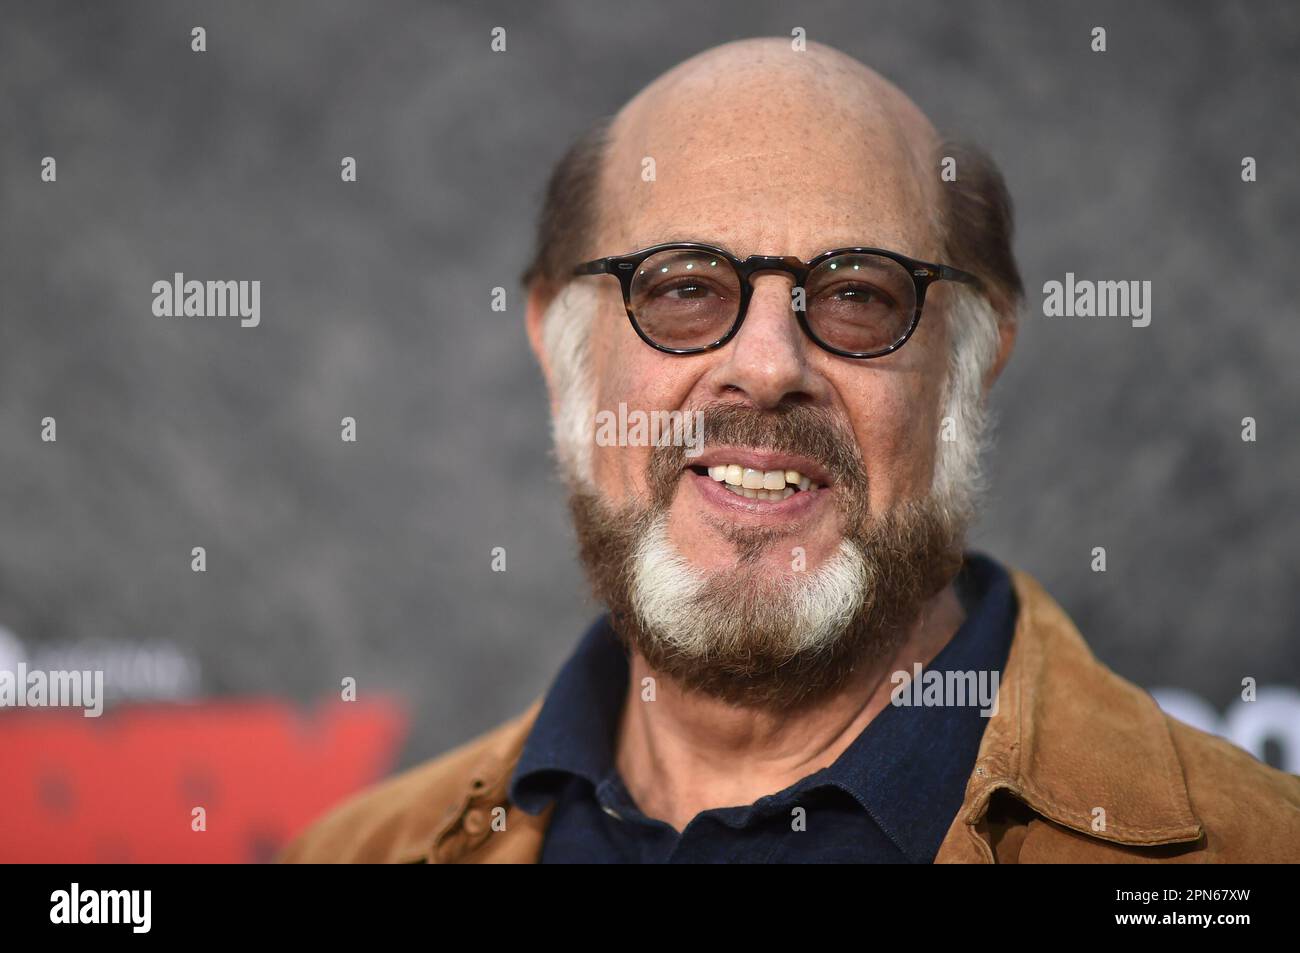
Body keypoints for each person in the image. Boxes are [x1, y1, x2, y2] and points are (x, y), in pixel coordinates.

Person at [281, 37, 1299, 863]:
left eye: (858, 294)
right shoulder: (359, 853)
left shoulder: (1249, 855)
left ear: (971, 359)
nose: (767, 365)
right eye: (681, 287)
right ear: (560, 346)